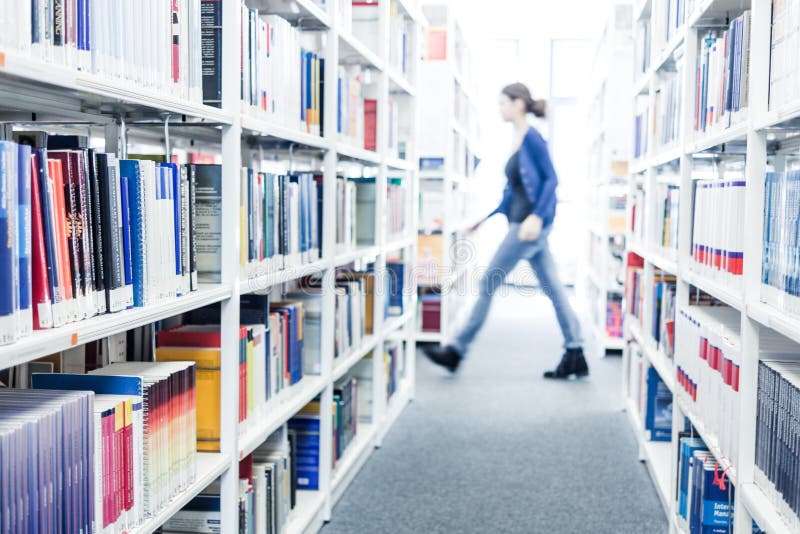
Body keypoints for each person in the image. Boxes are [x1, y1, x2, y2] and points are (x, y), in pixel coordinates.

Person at [422, 82, 588, 379]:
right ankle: (575, 351)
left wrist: (536, 217)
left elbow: (552, 180)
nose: (500, 109)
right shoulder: (518, 137)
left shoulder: (533, 138)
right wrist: (484, 219)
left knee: (487, 283)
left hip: (527, 228)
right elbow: (513, 192)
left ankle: (456, 350)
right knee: (554, 289)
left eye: (503, 103)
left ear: (518, 104)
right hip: (523, 223)